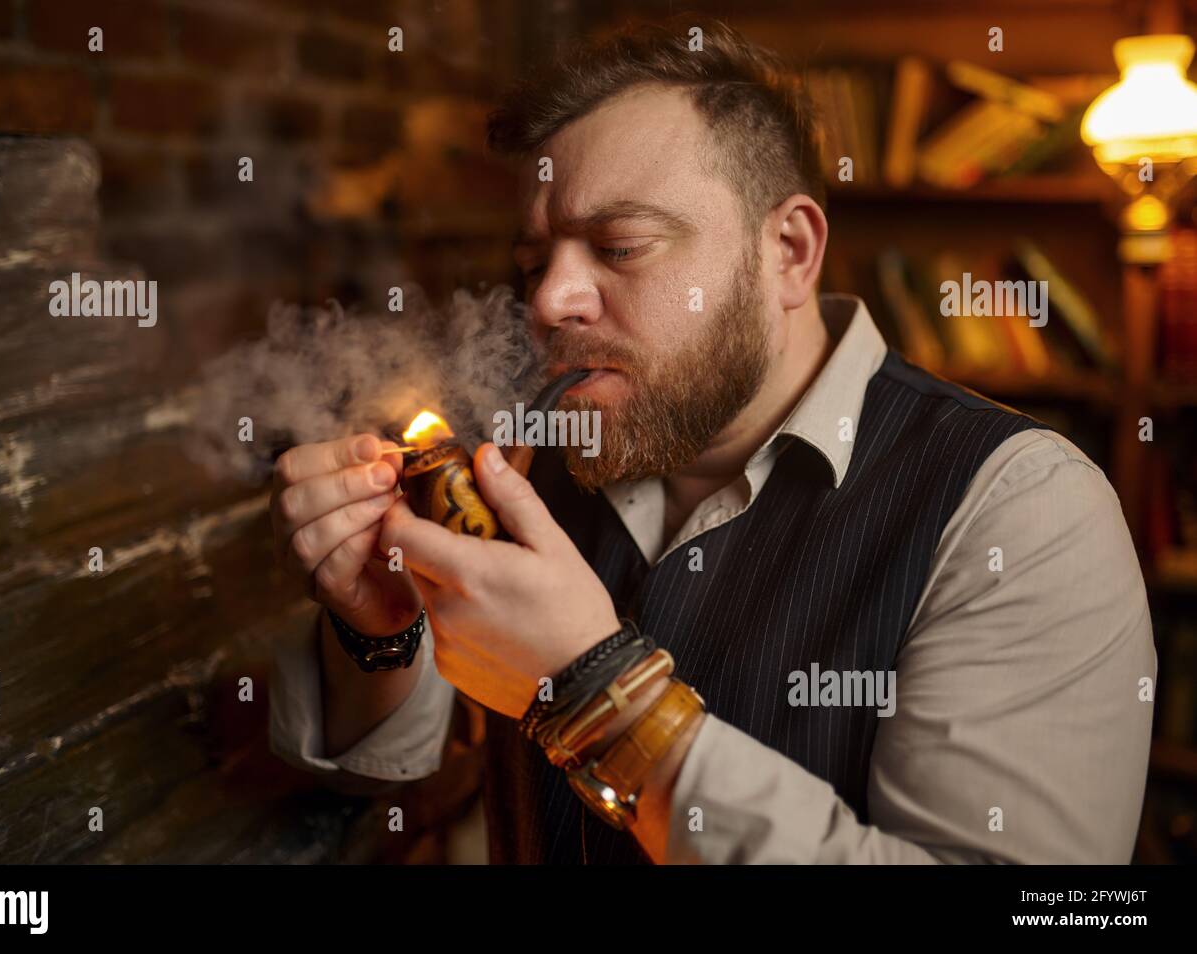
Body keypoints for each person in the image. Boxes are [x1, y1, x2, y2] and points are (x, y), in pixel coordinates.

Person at [267, 20, 1155, 864]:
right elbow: (386, 765)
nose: (548, 303)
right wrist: (376, 634)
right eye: (536, 263)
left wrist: (595, 690)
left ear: (789, 252)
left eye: (619, 245)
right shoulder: (536, 462)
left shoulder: (1021, 513)